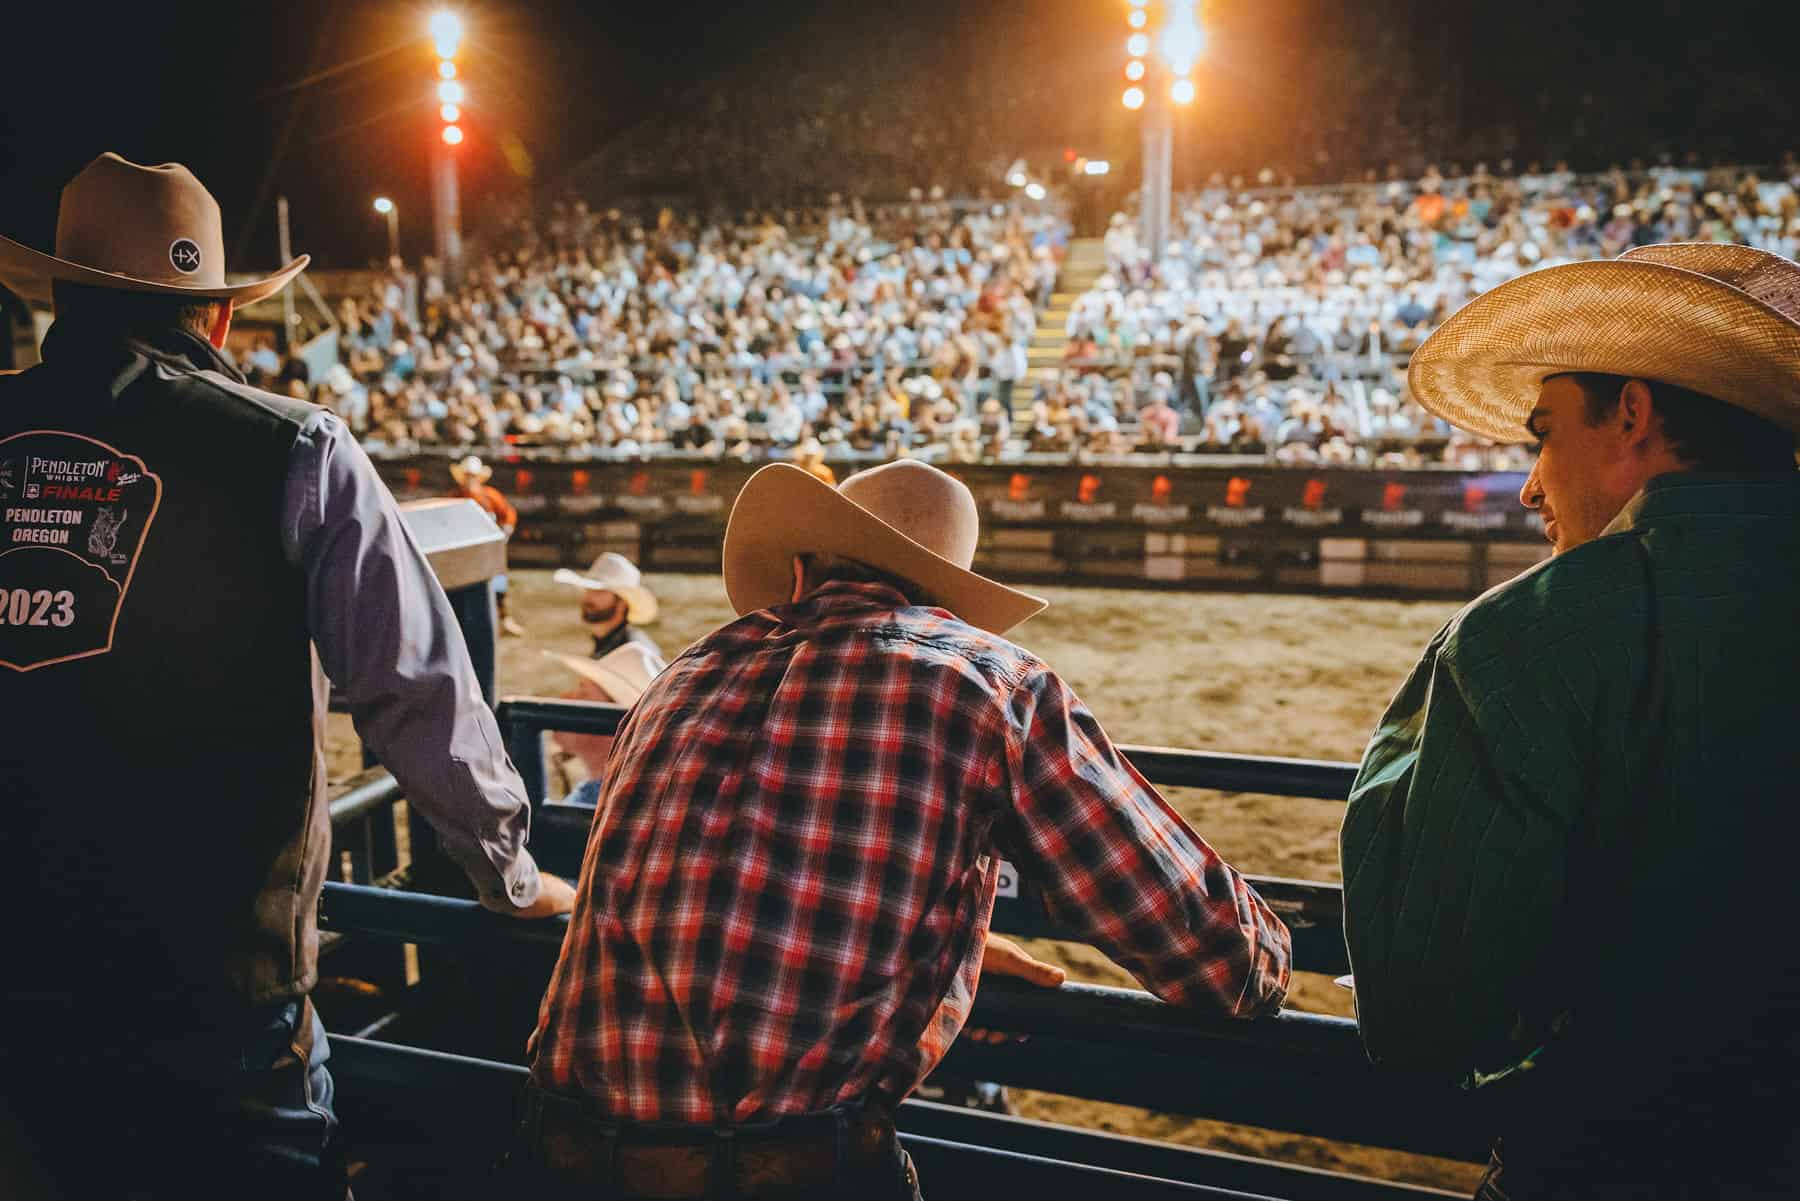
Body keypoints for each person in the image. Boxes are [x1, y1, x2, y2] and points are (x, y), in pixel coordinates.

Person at [0, 152, 576, 1200]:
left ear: (59, 296)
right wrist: (511, 874)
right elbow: (418, 691)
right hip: (217, 1004)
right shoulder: (294, 449)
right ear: (217, 318)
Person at [523, 459, 1292, 1198]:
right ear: (947, 599)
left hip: (552, 1156)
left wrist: (928, 936)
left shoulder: (680, 679)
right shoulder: (990, 683)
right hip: (786, 1174)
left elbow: (709, 888)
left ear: (800, 572)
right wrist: (1273, 949)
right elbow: (1218, 957)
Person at [1339, 242, 1800, 1201]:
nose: (1530, 485)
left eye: (1543, 433)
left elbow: (1422, 1013)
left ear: (1632, 415)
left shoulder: (1526, 640)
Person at [449, 454, 527, 636]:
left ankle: (503, 619)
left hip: (489, 550)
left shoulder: (490, 496)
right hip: (465, 552)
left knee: (498, 583)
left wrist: (505, 531)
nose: (470, 480)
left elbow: (508, 514)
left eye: (473, 476)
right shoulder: (454, 498)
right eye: (467, 475)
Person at [550, 551, 664, 660]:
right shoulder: (608, 644)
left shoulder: (639, 652)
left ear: (622, 603)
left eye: (599, 591)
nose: (588, 597)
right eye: (588, 589)